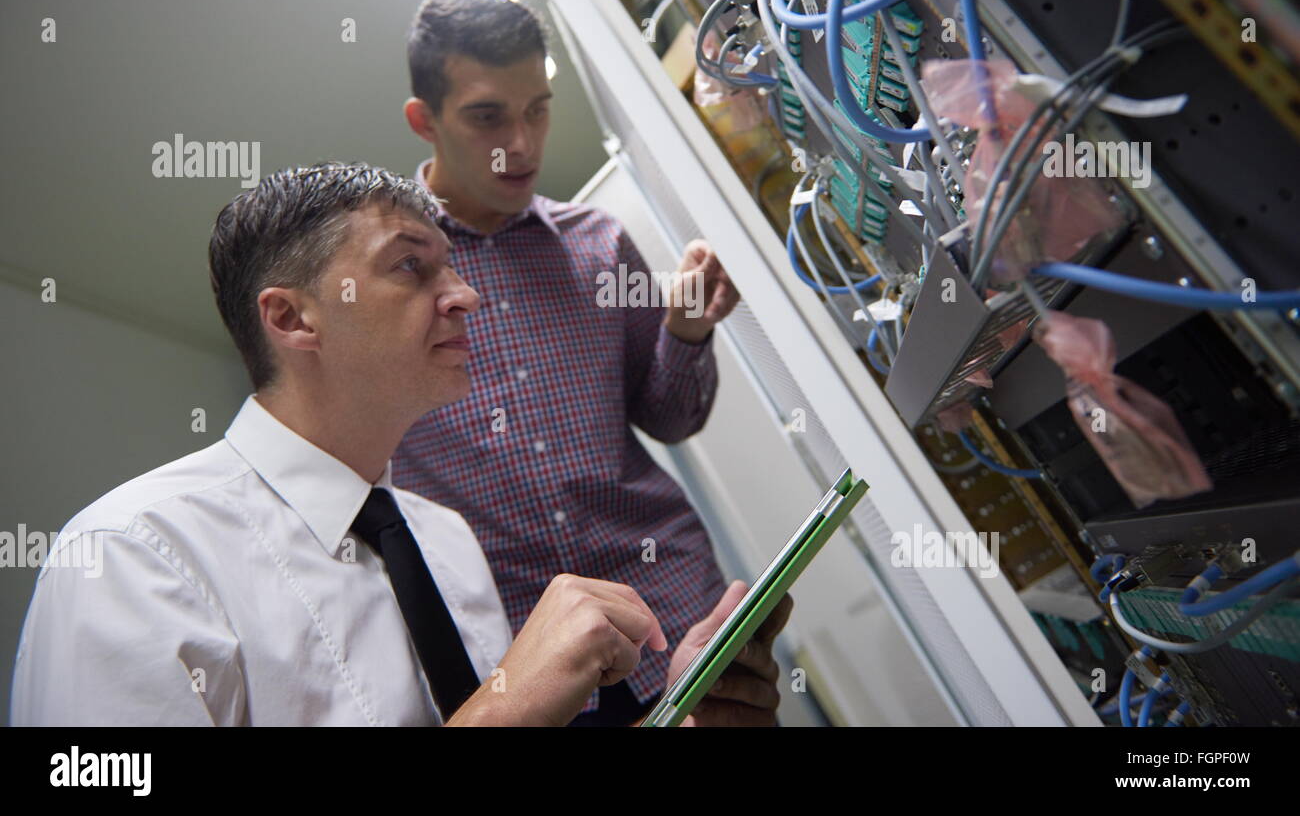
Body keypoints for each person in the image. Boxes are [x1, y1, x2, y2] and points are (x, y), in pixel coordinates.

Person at [10, 162, 789, 726]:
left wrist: (684, 715)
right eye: (410, 267)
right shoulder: (132, 556)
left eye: (446, 266)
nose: (465, 294)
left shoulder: (445, 542)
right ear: (292, 318)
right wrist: (511, 702)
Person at [395, 0, 751, 725]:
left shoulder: (600, 244)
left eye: (538, 108)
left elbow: (672, 417)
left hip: (672, 599)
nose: (522, 143)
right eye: (489, 115)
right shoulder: (380, 276)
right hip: (525, 658)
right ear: (424, 121)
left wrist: (685, 329)